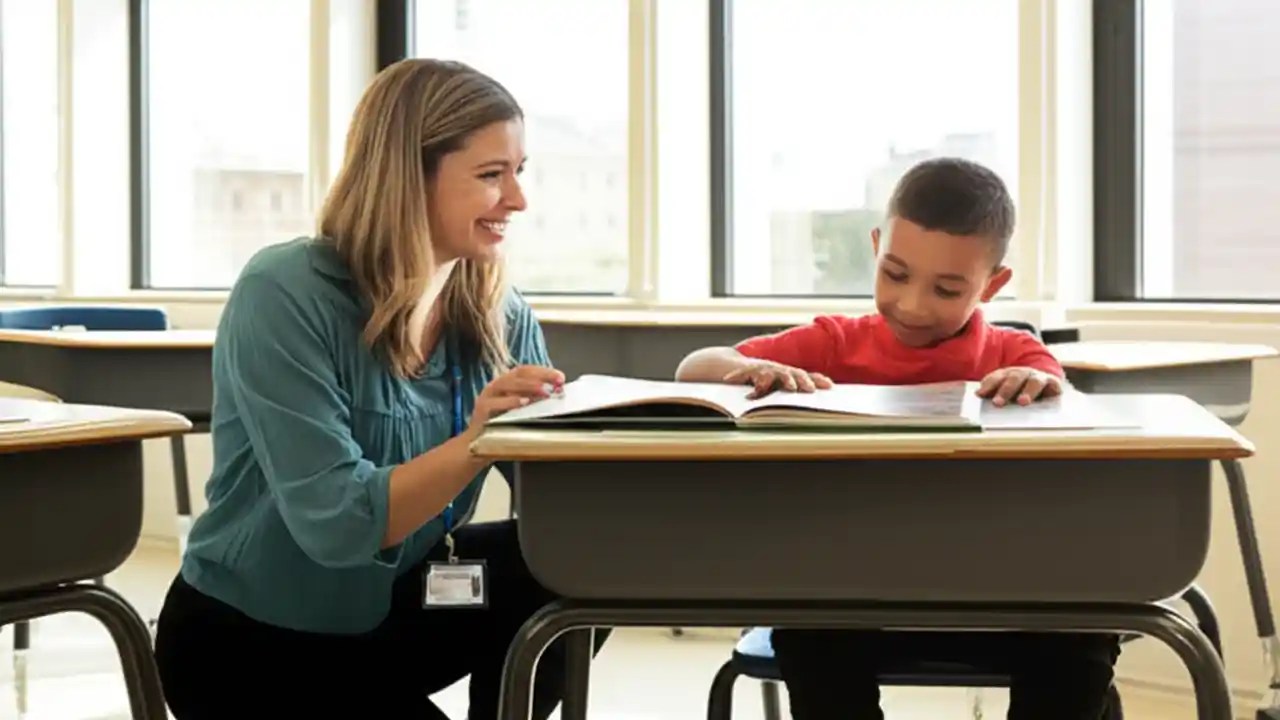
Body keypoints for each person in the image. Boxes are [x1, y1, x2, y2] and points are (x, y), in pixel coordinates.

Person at [153, 58, 605, 719]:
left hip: (395, 612)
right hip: (255, 644)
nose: (517, 199)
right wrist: (478, 443)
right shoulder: (285, 292)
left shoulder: (498, 310)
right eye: (490, 175)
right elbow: (336, 525)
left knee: (570, 558)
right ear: (406, 177)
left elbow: (552, 485)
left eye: (519, 172)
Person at [674, 157, 1120, 719]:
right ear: (878, 246)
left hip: (999, 605)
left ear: (993, 285)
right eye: (896, 274)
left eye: (947, 288)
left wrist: (1045, 388)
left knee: (1081, 637)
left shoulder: (1014, 354)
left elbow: (1067, 411)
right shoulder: (834, 343)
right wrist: (748, 371)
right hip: (851, 605)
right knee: (811, 627)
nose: (912, 305)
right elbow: (693, 368)